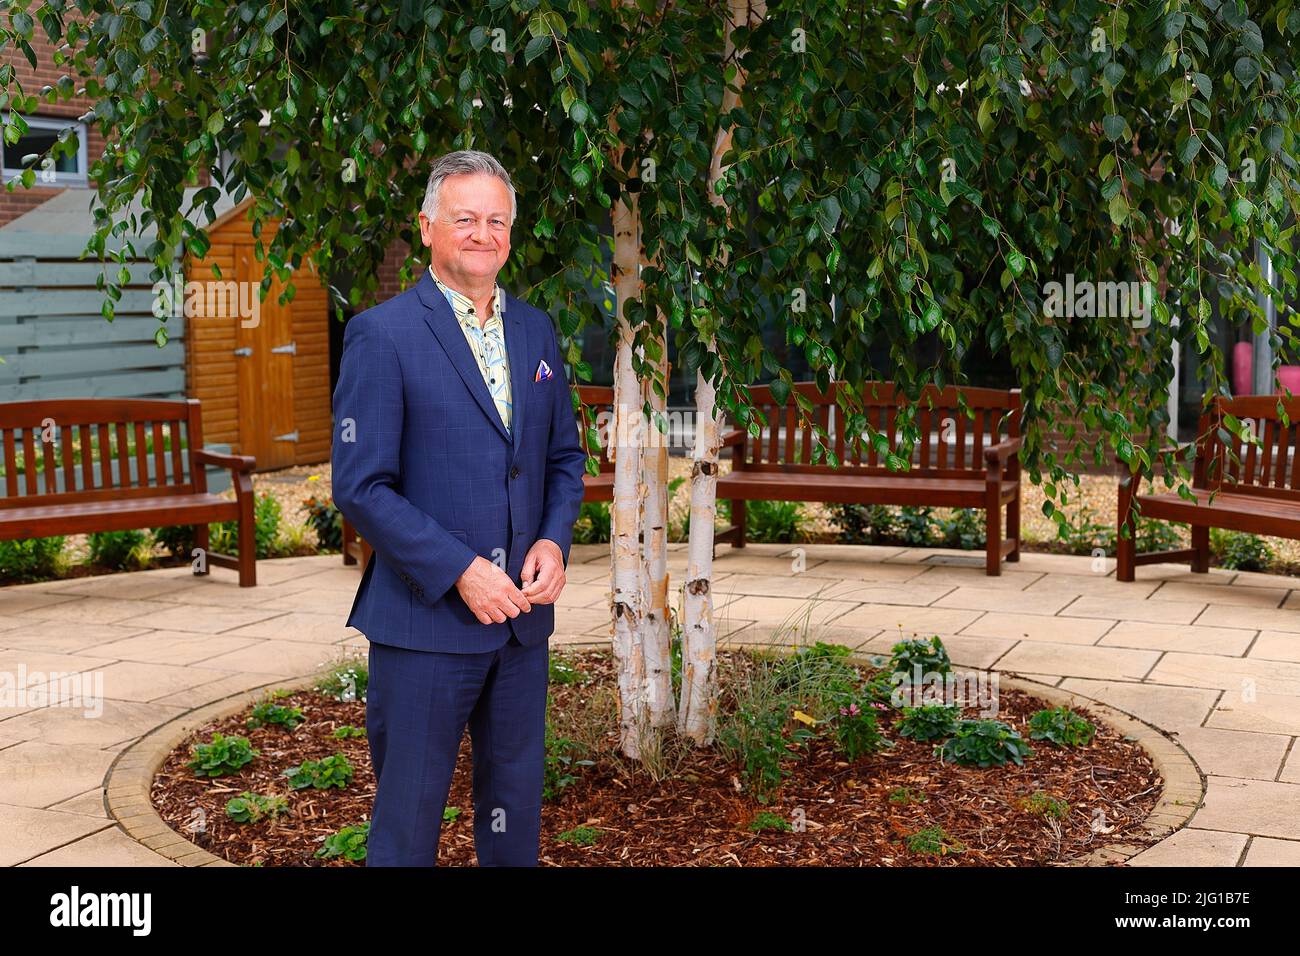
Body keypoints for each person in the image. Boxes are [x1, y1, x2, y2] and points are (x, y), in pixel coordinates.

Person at [331, 149, 588, 866]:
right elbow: (360, 485)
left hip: (521, 627)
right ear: (427, 227)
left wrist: (553, 542)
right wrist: (461, 570)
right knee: (407, 832)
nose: (484, 233)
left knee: (513, 826)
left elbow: (564, 459)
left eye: (497, 220)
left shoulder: (536, 331)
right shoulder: (382, 335)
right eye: (466, 218)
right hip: (424, 628)